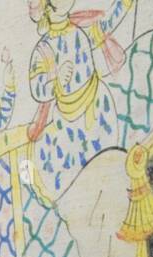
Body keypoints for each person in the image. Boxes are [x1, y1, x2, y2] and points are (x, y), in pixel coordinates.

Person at [25, 0, 135, 196]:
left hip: (100, 106)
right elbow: (37, 89)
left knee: (111, 160)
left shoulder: (81, 27)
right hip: (70, 125)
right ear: (47, 6)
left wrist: (125, 3)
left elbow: (108, 22)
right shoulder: (44, 49)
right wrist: (56, 80)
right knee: (84, 176)